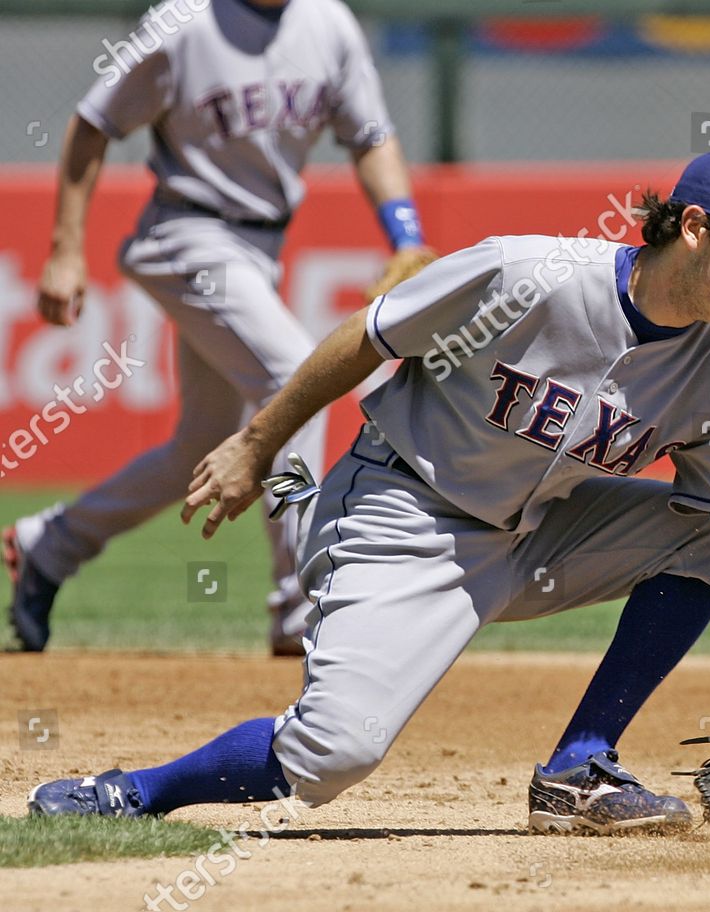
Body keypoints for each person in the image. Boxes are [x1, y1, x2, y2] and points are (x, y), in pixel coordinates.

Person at [28, 146, 710, 836]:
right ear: (692, 228)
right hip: (400, 511)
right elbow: (368, 337)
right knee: (333, 753)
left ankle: (579, 768)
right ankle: (133, 793)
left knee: (709, 535)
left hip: (535, 532)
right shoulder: (528, 276)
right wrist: (255, 442)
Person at [6, 0, 433, 655]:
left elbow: (371, 135)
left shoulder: (329, 23)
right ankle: (300, 606)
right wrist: (65, 249)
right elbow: (93, 123)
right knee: (298, 378)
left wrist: (405, 235)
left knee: (201, 446)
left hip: (259, 249)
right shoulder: (184, 21)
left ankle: (49, 545)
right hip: (186, 231)